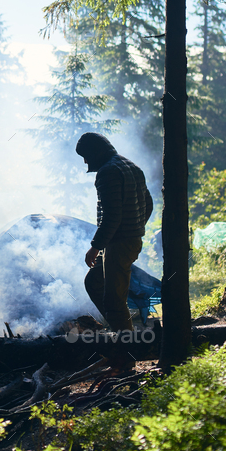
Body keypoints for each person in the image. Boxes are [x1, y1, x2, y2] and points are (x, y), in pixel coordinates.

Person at [76, 132, 153, 332]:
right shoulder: (130, 166)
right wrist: (135, 227)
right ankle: (120, 330)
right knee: (93, 282)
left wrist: (95, 247)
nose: (85, 161)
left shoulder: (107, 172)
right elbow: (148, 204)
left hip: (119, 244)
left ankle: (126, 353)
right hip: (126, 241)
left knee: (114, 302)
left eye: (85, 155)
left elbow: (111, 217)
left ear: (95, 152)